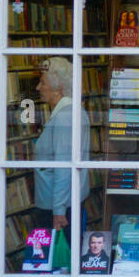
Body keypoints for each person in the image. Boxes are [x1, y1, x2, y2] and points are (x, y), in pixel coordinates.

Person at [32, 57, 91, 234]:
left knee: (56, 258)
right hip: (65, 204)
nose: (38, 88)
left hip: (58, 209)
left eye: (42, 83)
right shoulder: (72, 112)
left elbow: (64, 167)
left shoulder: (65, 117)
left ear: (58, 88)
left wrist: (58, 210)